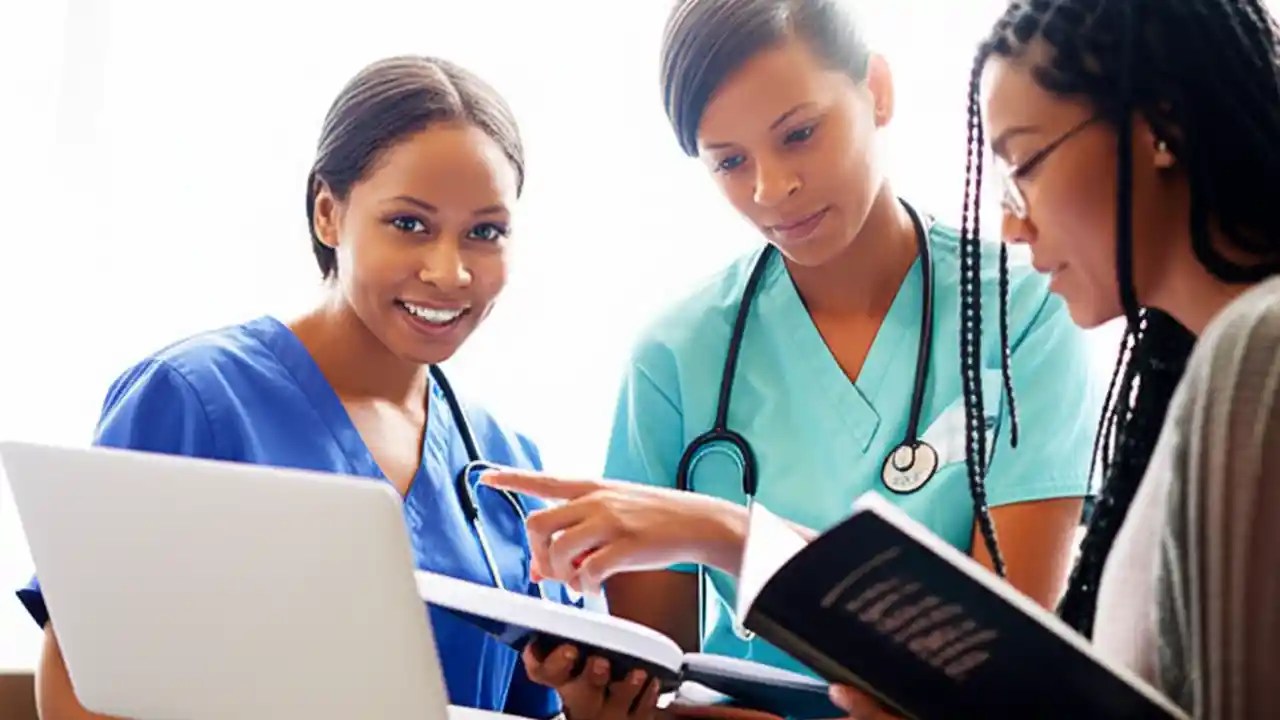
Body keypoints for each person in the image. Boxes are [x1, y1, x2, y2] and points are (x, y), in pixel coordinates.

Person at [484, 0, 1099, 708]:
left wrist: (721, 533)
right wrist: (596, 696)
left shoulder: (1023, 315)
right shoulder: (676, 357)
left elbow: (994, 682)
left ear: (878, 91)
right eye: (729, 162)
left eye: (800, 134)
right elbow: (648, 694)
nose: (771, 189)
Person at [13, 56, 655, 720]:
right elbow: (77, 690)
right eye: (410, 224)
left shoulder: (508, 465)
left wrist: (589, 708)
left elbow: (532, 709)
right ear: (328, 212)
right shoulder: (192, 400)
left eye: (484, 232)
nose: (450, 271)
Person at [829, 0, 1280, 716]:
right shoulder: (1187, 386)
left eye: (1024, 163)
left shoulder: (1261, 352)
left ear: (1163, 125)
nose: (1011, 223)